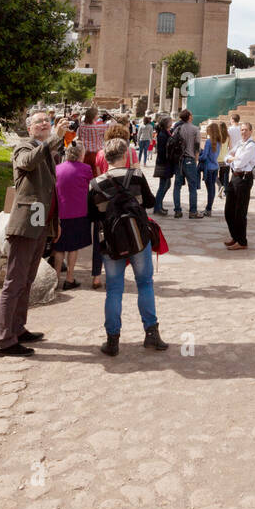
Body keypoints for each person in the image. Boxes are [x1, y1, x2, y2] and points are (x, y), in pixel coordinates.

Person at [0, 110, 67, 357]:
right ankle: (3, 340)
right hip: (25, 224)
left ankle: (17, 327)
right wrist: (53, 139)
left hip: (40, 224)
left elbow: (49, 192)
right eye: (39, 121)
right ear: (29, 128)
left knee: (27, 280)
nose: (45, 123)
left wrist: (54, 225)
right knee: (14, 282)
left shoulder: (45, 150)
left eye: (48, 120)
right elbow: (28, 162)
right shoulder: (22, 148)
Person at [88, 137, 167, 356]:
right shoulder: (137, 176)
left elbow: (93, 215)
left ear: (105, 157)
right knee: (145, 284)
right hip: (138, 239)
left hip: (111, 243)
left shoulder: (95, 184)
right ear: (125, 155)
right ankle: (151, 332)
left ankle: (113, 340)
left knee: (114, 289)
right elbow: (150, 202)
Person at [53, 139, 92, 289]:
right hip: (79, 212)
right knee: (73, 247)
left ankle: (55, 278)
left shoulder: (57, 169)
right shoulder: (86, 169)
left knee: (59, 247)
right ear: (81, 154)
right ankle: (69, 278)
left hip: (61, 213)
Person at [224, 121, 255, 249]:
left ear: (250, 131)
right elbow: (227, 156)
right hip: (234, 178)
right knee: (228, 211)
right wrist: (232, 159)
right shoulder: (239, 144)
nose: (243, 132)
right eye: (242, 130)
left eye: (245, 130)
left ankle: (242, 241)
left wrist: (232, 159)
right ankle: (235, 237)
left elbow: (238, 164)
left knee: (240, 212)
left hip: (244, 179)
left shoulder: (251, 146)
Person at [172, 110, 203, 220]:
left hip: (179, 161)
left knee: (177, 186)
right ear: (189, 116)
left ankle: (177, 211)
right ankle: (193, 211)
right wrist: (196, 160)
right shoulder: (195, 129)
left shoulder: (177, 129)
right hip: (190, 159)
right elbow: (197, 147)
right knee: (192, 187)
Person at [152, 116, 174, 216]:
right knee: (163, 186)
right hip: (163, 163)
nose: (172, 123)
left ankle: (159, 205)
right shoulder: (162, 135)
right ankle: (157, 207)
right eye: (170, 121)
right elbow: (161, 150)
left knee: (167, 185)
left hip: (166, 163)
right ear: (167, 124)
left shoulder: (166, 132)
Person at [78, 106, 107, 176]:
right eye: (97, 114)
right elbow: (114, 124)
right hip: (96, 154)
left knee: (85, 174)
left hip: (84, 153)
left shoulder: (81, 126)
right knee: (96, 175)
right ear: (94, 116)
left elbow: (79, 138)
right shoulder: (99, 127)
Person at [200, 123, 221, 215]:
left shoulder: (209, 142)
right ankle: (209, 208)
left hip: (208, 168)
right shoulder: (219, 142)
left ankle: (208, 209)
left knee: (210, 189)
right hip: (215, 167)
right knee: (212, 188)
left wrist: (198, 157)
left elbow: (204, 157)